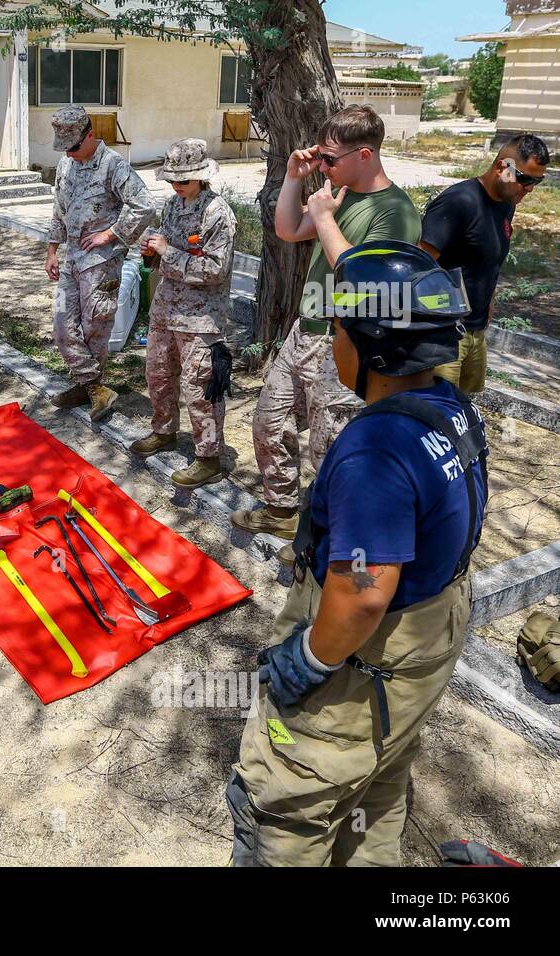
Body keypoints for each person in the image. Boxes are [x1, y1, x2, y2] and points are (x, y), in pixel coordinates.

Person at [226, 241, 487, 866]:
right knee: (378, 794)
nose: (332, 344)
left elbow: (365, 592)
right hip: (423, 653)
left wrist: (309, 659)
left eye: (339, 331)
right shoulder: (449, 410)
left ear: (370, 349)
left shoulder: (376, 452)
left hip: (363, 665)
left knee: (286, 807)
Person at [232, 105, 421, 562]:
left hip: (345, 341)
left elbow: (363, 277)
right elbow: (286, 229)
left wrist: (325, 218)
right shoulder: (339, 192)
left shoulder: (396, 212)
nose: (324, 167)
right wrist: (296, 178)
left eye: (330, 160)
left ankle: (324, 542)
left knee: (329, 448)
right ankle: (281, 508)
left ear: (365, 154)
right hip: (307, 328)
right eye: (320, 157)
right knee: (268, 422)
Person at [130, 139, 237, 487]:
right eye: (173, 179)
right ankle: (163, 431)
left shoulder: (217, 213)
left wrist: (168, 253)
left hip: (201, 318)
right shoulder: (172, 206)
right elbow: (166, 254)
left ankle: (208, 457)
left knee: (199, 388)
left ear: (202, 176)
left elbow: (216, 270)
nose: (177, 185)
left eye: (185, 179)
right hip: (166, 310)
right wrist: (151, 251)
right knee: (158, 376)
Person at [46, 105, 156, 422]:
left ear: (90, 135)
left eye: (74, 147)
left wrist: (112, 234)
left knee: (96, 329)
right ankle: (93, 386)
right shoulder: (66, 165)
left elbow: (144, 205)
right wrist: (52, 250)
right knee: (63, 327)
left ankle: (90, 387)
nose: (68, 154)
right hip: (72, 260)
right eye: (64, 148)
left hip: (101, 263)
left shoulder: (112, 165)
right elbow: (58, 210)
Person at [419, 133, 551, 393]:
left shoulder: (506, 204)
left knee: (465, 415)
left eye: (537, 181)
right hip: (443, 335)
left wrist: (488, 300)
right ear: (502, 166)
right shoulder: (460, 201)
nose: (529, 188)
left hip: (475, 331)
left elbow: (487, 260)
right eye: (524, 179)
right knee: (437, 415)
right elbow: (419, 264)